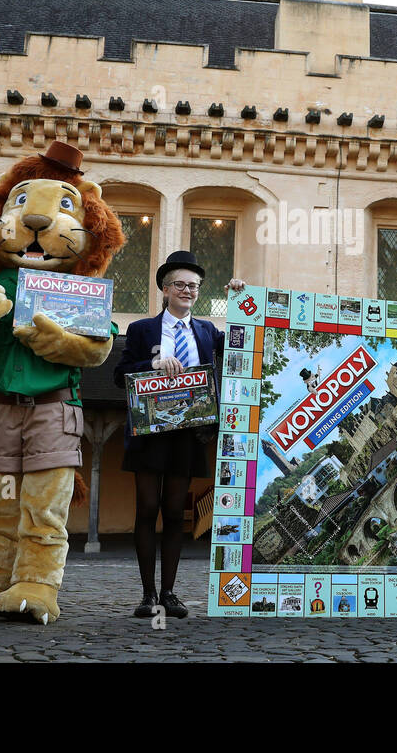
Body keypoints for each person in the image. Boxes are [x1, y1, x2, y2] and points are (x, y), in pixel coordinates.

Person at [112, 250, 244, 620]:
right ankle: (147, 594)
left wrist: (239, 298)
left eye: (194, 286)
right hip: (149, 435)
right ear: (165, 290)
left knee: (174, 512)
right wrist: (151, 363)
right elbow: (118, 375)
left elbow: (242, 338)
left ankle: (169, 593)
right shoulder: (141, 330)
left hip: (188, 434)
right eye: (181, 285)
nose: (188, 290)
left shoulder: (206, 331)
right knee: (147, 510)